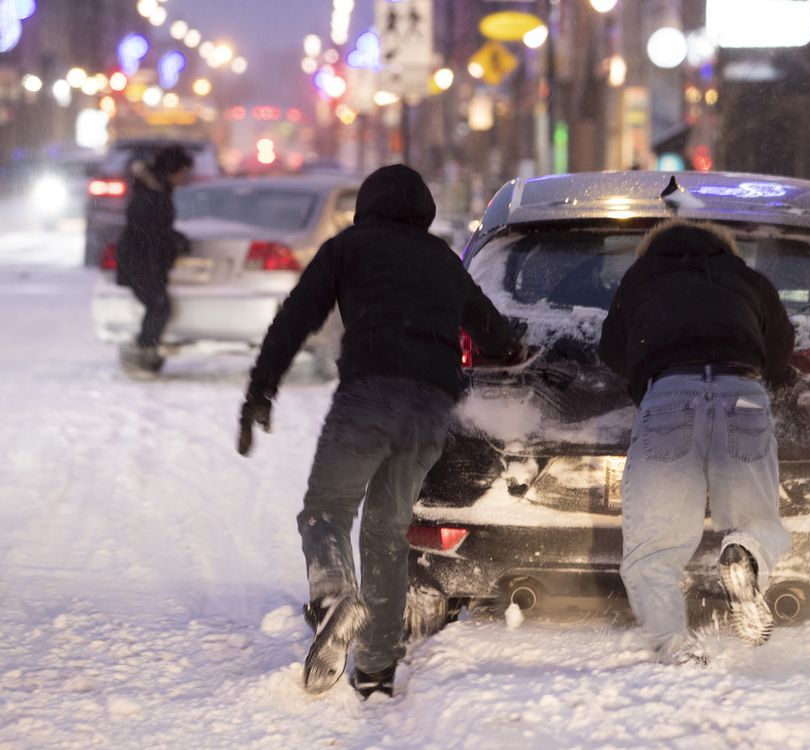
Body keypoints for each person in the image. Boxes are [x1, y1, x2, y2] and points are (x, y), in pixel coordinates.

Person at [237, 164, 523, 697]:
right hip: (431, 407)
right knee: (387, 534)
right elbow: (494, 334)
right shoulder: (441, 259)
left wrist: (261, 390)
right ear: (424, 211)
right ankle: (375, 669)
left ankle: (333, 597)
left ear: (366, 205)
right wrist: (508, 350)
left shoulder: (349, 248)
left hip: (369, 396)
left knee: (327, 510)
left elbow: (295, 319)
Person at [599, 218, 795, 665]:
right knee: (756, 520)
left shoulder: (642, 277)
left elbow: (611, 350)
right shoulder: (745, 278)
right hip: (743, 394)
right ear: (725, 247)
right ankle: (746, 553)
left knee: (655, 550)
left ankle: (677, 650)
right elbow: (781, 349)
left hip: (669, 395)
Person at [115, 144, 193, 377]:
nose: (185, 177)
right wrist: (172, 241)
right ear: (173, 170)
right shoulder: (151, 193)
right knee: (159, 305)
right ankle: (142, 355)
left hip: (146, 260)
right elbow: (147, 229)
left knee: (159, 305)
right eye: (183, 172)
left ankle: (145, 354)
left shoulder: (157, 189)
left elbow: (155, 228)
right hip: (141, 260)